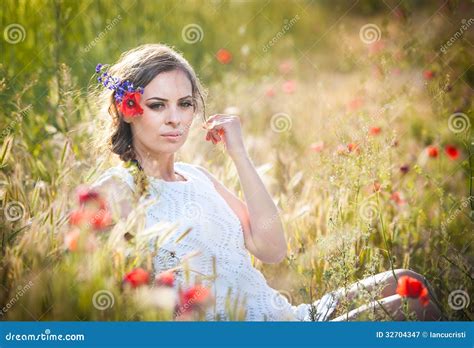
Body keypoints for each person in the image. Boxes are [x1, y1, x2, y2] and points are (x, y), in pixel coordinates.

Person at [90, 43, 442, 321]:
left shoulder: (198, 178)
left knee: (406, 279)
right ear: (128, 109)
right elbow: (101, 291)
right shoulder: (118, 188)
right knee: (413, 309)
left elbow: (271, 249)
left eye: (184, 104)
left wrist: (239, 155)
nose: (175, 119)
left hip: (282, 316)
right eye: (157, 105)